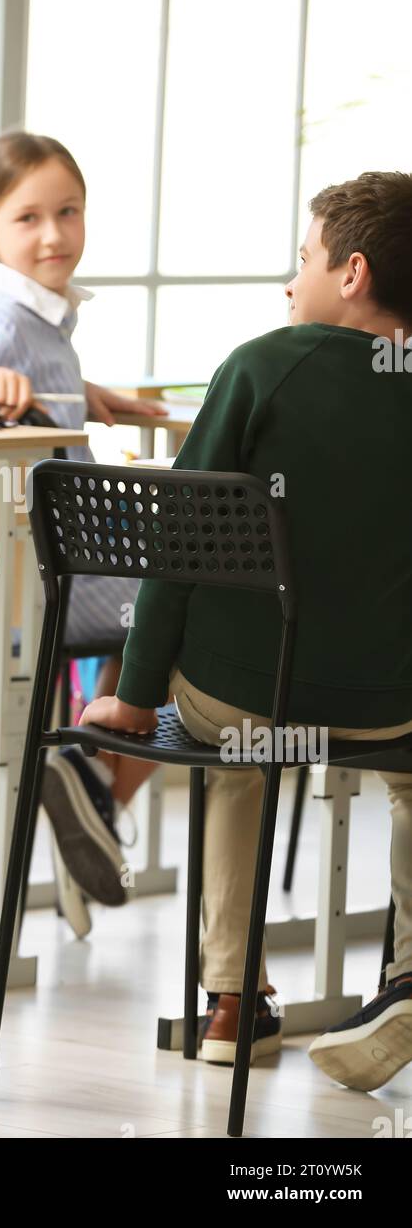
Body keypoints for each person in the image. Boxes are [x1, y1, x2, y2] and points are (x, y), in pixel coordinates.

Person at [81, 171, 412, 1086]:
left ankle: (232, 1000)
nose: (289, 280)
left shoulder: (262, 365)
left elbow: (177, 551)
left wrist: (137, 699)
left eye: (302, 258)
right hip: (389, 708)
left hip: (244, 695)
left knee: (242, 750)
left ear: (351, 271)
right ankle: (411, 975)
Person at [0, 129, 167, 917]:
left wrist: (85, 391)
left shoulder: (41, 315)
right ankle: (96, 785)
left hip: (60, 565)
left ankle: (89, 784)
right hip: (41, 577)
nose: (54, 234)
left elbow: (30, 374)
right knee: (195, 615)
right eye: (28, 219)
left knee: (164, 610)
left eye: (69, 212)